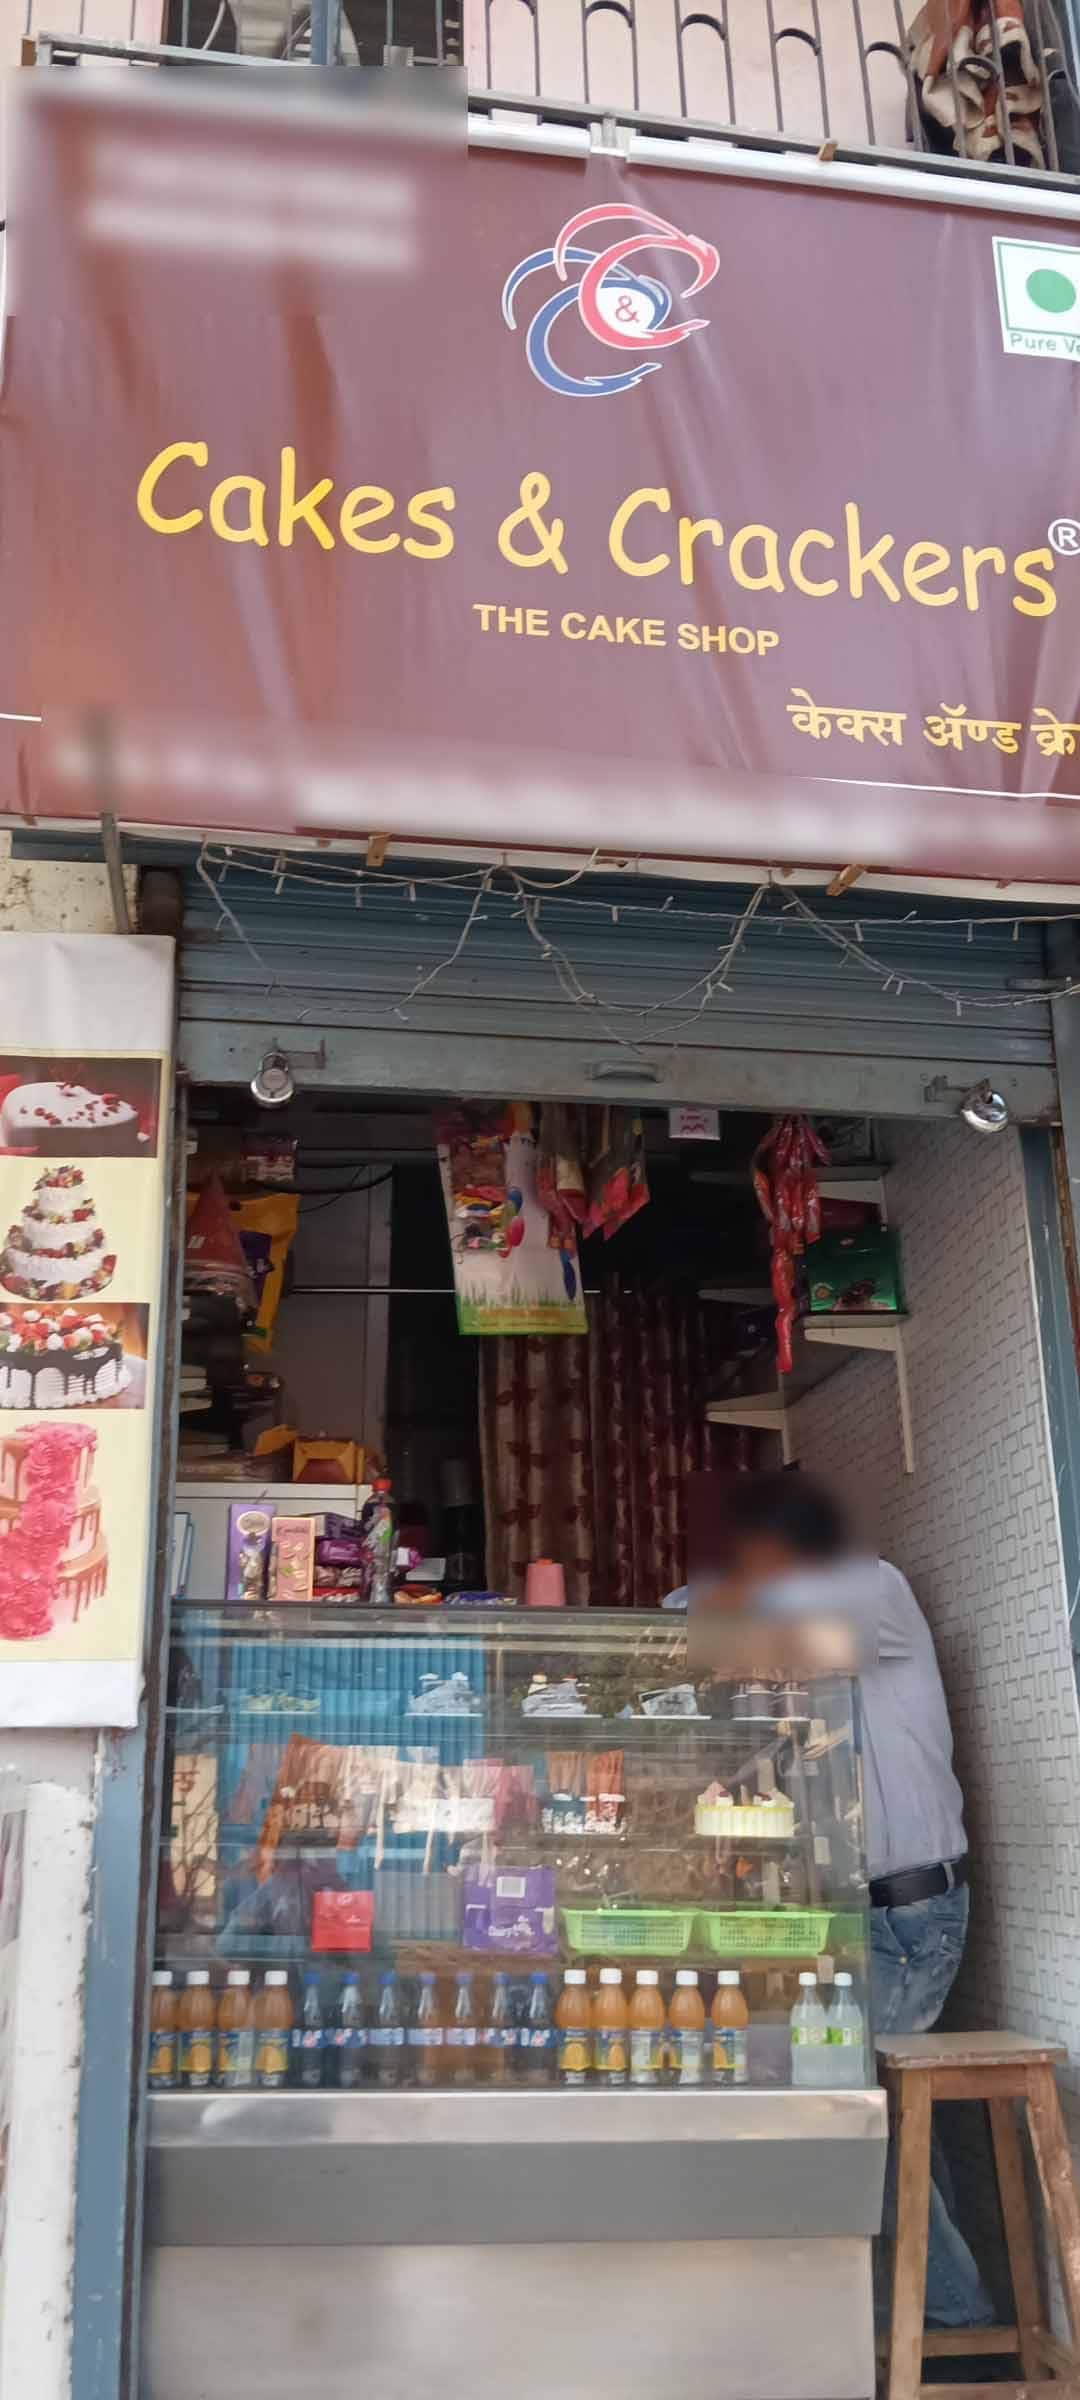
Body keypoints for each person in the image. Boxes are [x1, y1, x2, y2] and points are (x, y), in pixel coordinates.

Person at [719, 1469, 995, 2334]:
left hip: (907, 1914)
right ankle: (923, 2316)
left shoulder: (875, 1590)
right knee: (874, 2105)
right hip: (853, 1913)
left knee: (842, 2106)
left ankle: (950, 2320)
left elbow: (710, 1622)